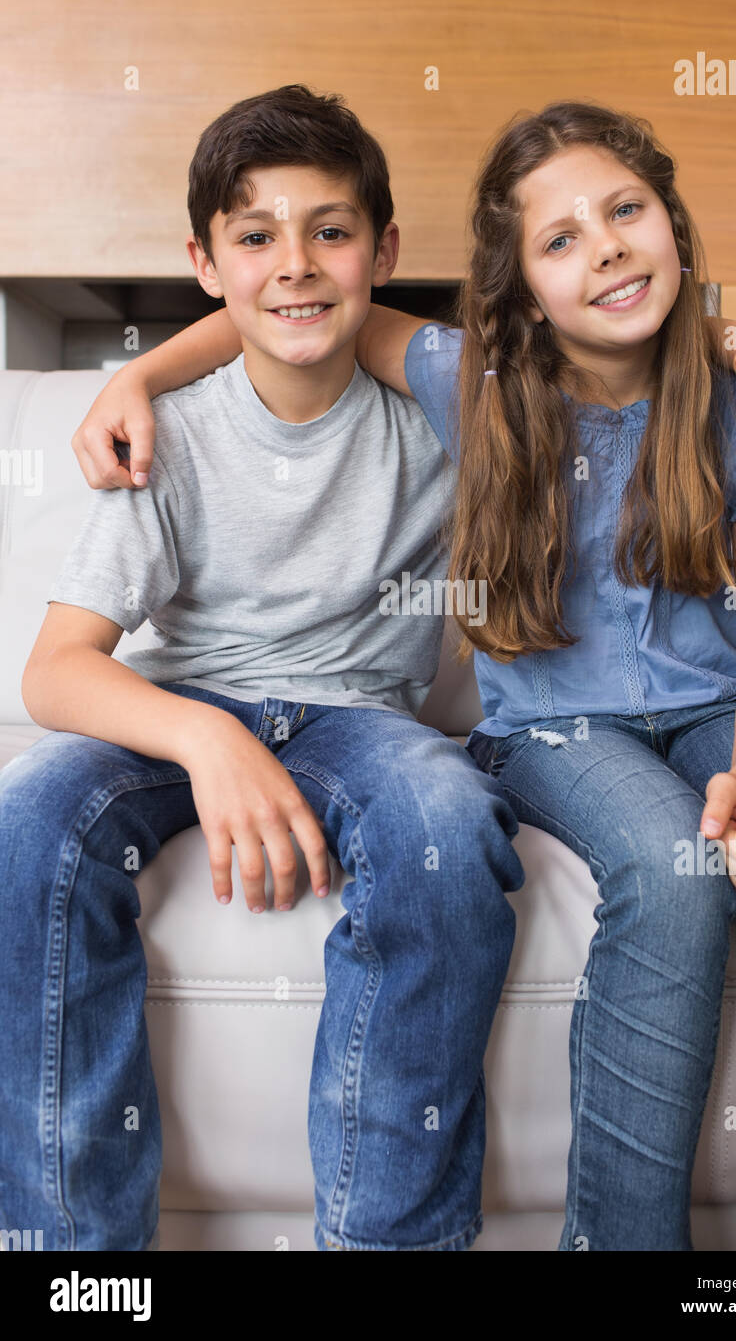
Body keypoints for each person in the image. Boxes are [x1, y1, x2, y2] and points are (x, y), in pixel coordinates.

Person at [67, 94, 736, 1255]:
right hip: (535, 727)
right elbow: (291, 309)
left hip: (701, 716)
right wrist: (133, 377)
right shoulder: (452, 382)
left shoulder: (725, 405)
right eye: (560, 238)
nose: (606, 248)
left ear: (673, 226)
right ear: (520, 286)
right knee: (672, 875)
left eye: (626, 213)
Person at [0, 83, 527, 1253]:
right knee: (24, 822)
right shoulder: (171, 430)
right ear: (204, 262)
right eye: (254, 238)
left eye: (329, 231)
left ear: (383, 251)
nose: (293, 263)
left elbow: (579, 369)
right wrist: (206, 737)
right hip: (182, 698)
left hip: (361, 716)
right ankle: (72, 1261)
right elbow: (56, 671)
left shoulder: (440, 413)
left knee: (445, 818)